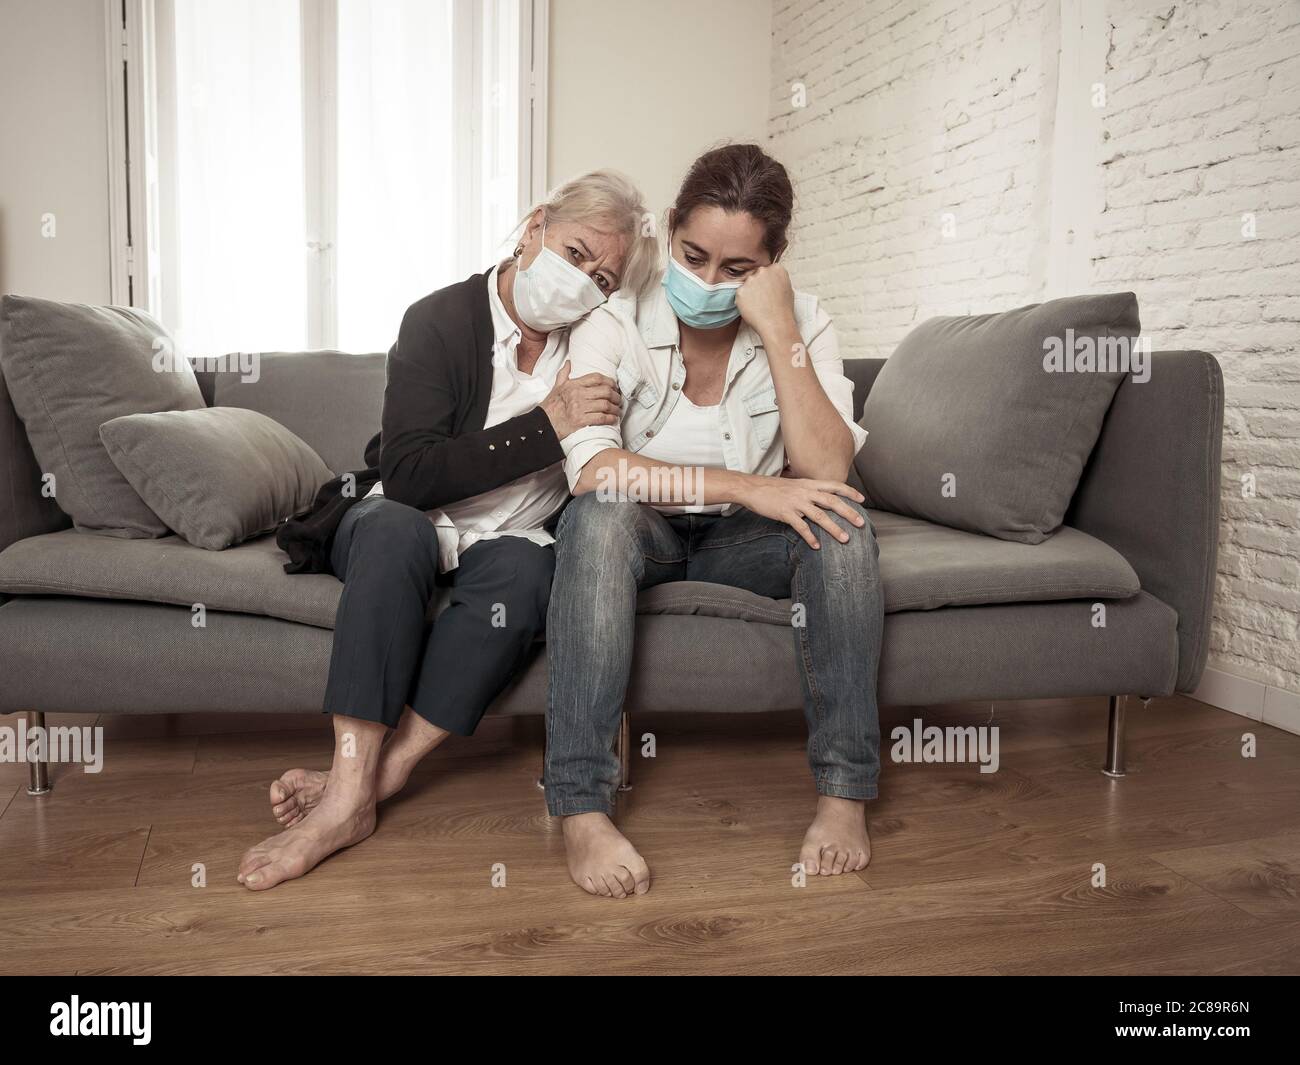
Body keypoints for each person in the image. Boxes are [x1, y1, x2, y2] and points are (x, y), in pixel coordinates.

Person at [237, 170, 658, 891]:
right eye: (575, 252)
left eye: (602, 276)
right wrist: (546, 424)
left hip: (507, 541)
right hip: (404, 517)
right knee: (397, 531)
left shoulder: (595, 340)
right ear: (535, 229)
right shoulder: (436, 320)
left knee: (529, 575)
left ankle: (386, 773)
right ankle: (343, 792)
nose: (582, 280)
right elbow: (408, 474)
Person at [545, 144, 883, 898]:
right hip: (644, 534)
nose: (705, 282)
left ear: (774, 261)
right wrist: (748, 484)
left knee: (845, 523)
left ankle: (844, 794)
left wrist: (777, 327)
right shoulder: (614, 315)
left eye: (735, 269)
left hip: (742, 542)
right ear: (669, 230)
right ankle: (581, 806)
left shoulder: (804, 323)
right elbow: (596, 470)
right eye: (693, 255)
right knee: (598, 517)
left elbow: (826, 470)